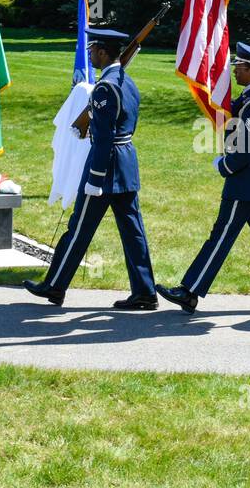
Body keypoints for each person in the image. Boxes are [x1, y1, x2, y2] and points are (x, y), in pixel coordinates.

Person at [156, 43, 250, 314]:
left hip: (247, 176)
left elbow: (249, 144)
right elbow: (230, 112)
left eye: (239, 67)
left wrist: (226, 165)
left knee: (221, 234)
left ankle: (189, 291)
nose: (234, 71)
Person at [24, 27, 158, 310]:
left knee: (78, 229)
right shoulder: (127, 81)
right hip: (126, 165)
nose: (89, 53)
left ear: (102, 52)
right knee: (133, 231)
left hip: (104, 167)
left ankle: (55, 285)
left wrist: (94, 178)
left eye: (92, 49)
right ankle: (145, 291)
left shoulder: (106, 87)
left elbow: (105, 137)